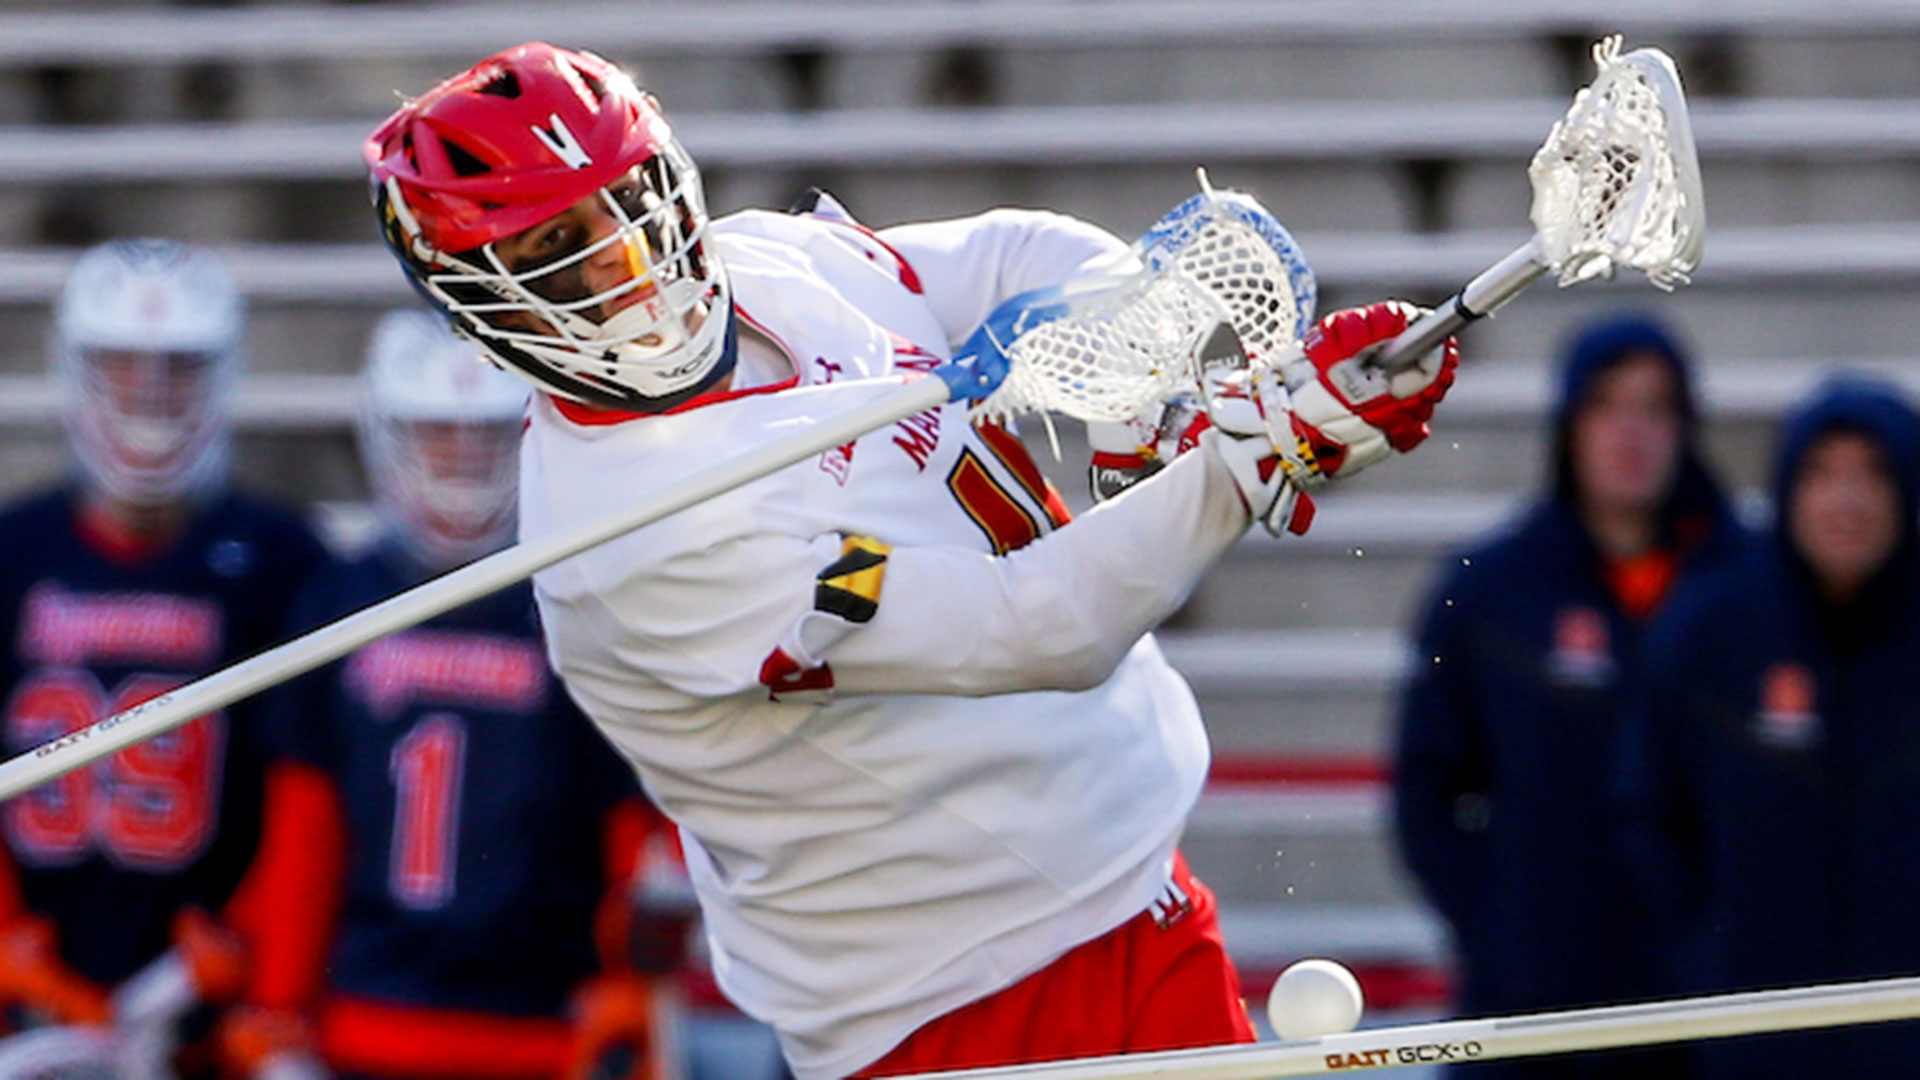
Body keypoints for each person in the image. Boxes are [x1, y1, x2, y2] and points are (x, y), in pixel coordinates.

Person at [362, 42, 1458, 1080]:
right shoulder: (641, 543)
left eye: (630, 202)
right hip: (958, 996)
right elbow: (1042, 627)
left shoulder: (767, 262)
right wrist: (1246, 459)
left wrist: (1139, 360)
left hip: (1128, 882)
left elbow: (1001, 259)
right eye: (558, 251)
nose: (628, 260)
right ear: (479, 305)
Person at [241, 311, 693, 1080]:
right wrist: (280, 1005)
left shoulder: (574, 594)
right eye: (435, 436)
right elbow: (304, 821)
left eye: (483, 438)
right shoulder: (339, 600)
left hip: (545, 1030)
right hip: (369, 1019)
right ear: (385, 438)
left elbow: (627, 815)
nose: (460, 463)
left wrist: (632, 984)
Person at [0, 239, 329, 1072]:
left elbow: (314, 793)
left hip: (208, 997)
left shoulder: (282, 559)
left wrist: (245, 954)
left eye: (178, 368)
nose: (149, 394)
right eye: (120, 365)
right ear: (73, 370)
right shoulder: (14, 549)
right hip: (32, 987)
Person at [1392, 313, 1741, 1078]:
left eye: (1654, 408)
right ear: (1567, 423)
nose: (1631, 432)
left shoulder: (1746, 589)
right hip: (1529, 1013)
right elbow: (1425, 788)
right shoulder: (1489, 590)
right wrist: (1499, 926)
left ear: (1686, 426)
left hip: (1712, 1013)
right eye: (1606, 405)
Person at [1615, 376, 1920, 1078]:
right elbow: (1647, 813)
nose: (1848, 501)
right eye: (1822, 473)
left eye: (1873, 475)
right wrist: (1703, 955)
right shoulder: (1712, 630)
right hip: (1752, 1042)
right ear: (1788, 488)